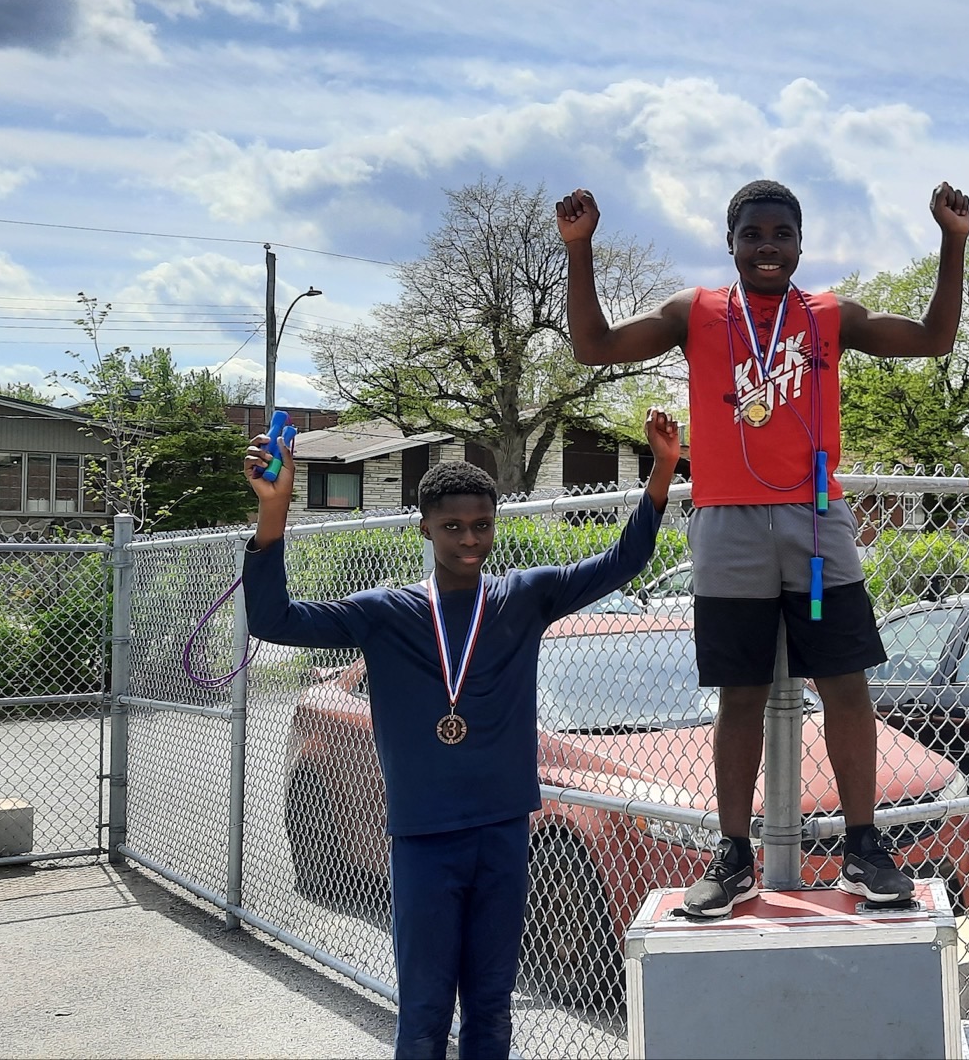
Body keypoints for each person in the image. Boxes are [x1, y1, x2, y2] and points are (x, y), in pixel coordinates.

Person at [556, 178, 969, 916]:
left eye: (782, 234)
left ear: (801, 244)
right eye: (752, 234)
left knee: (844, 683)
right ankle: (733, 855)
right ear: (731, 243)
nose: (767, 247)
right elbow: (594, 347)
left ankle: (862, 847)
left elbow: (934, 338)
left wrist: (952, 240)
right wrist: (578, 249)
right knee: (740, 693)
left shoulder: (829, 315)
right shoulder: (696, 312)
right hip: (729, 525)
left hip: (815, 525)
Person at [240, 410, 682, 1059]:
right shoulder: (386, 613)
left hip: (504, 831)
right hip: (425, 838)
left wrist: (663, 470)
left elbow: (625, 559)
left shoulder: (523, 598)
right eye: (452, 527)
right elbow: (274, 619)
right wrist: (274, 510)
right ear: (424, 528)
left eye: (481, 525)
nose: (469, 539)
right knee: (423, 1012)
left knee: (491, 1007)